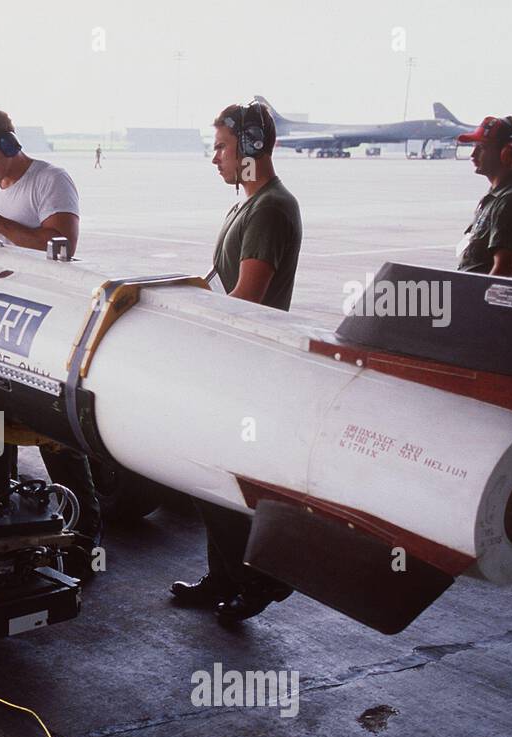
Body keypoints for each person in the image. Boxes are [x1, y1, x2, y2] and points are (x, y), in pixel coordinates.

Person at [0, 107, 102, 567]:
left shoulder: (51, 180)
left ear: (9, 146)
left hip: (47, 323)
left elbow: (63, 245)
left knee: (55, 433)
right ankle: (8, 526)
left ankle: (84, 537)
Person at [170, 101, 301, 624]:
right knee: (209, 477)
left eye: (221, 147)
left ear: (250, 147)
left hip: (246, 363)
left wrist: (200, 319)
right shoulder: (247, 204)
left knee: (228, 481)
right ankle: (225, 576)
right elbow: (220, 277)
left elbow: (248, 294)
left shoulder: (270, 207)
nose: (216, 158)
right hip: (228, 360)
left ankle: (261, 580)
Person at [455, 116, 512, 279]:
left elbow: (502, 271)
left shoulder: (511, 202)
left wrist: (476, 303)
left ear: (507, 153)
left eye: (482, 148)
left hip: (486, 301)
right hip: (471, 293)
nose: (473, 154)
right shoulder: (499, 194)